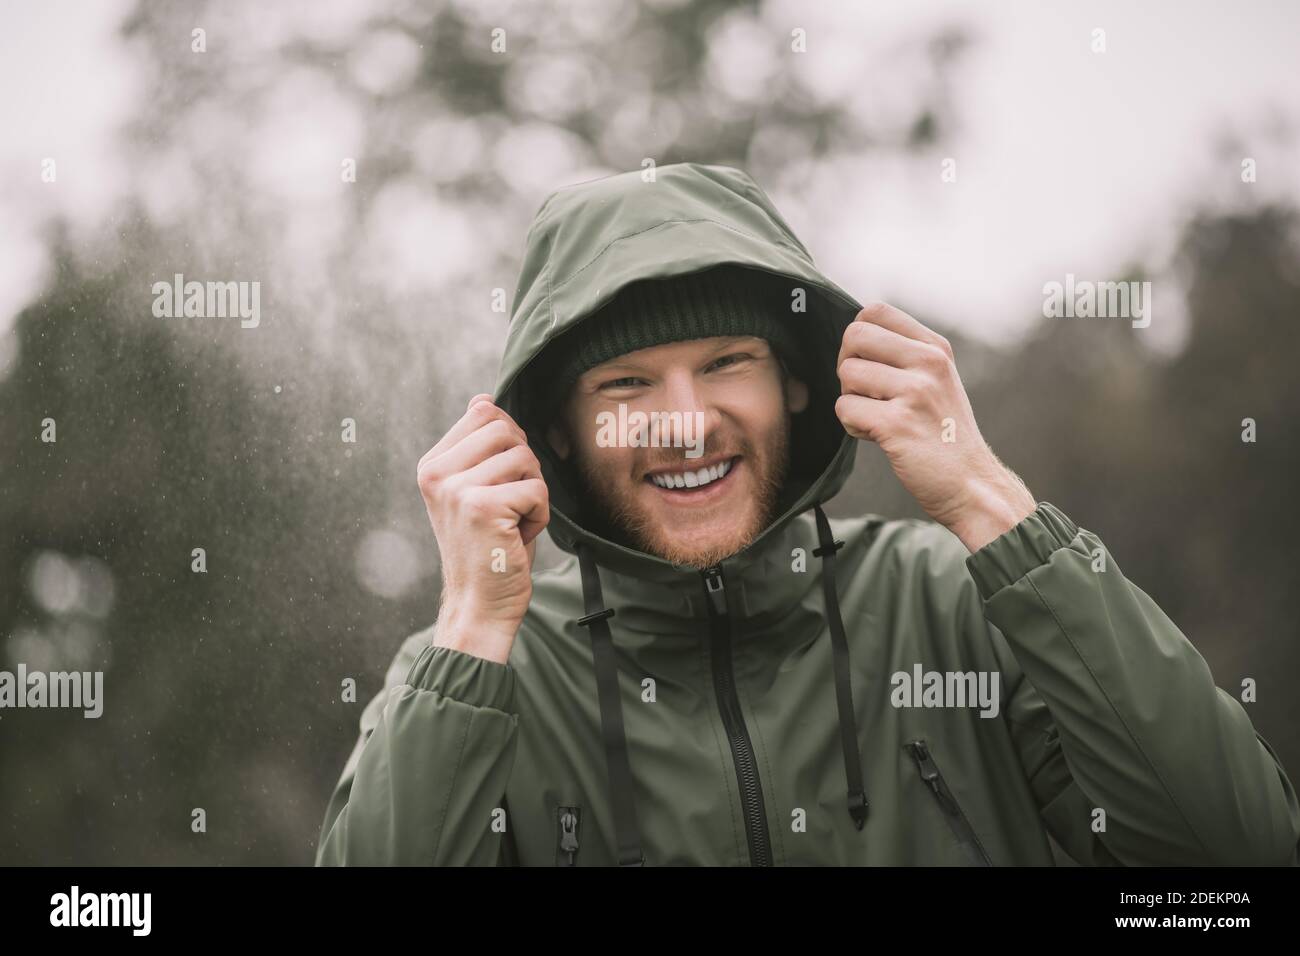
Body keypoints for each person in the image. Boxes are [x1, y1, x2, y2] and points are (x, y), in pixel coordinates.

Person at [315, 162, 1300, 866]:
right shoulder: (481, 673)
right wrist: (471, 628)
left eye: (724, 364)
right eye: (625, 381)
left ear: (792, 382)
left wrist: (992, 503)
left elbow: (1235, 855)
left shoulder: (954, 602)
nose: (687, 422)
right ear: (557, 431)